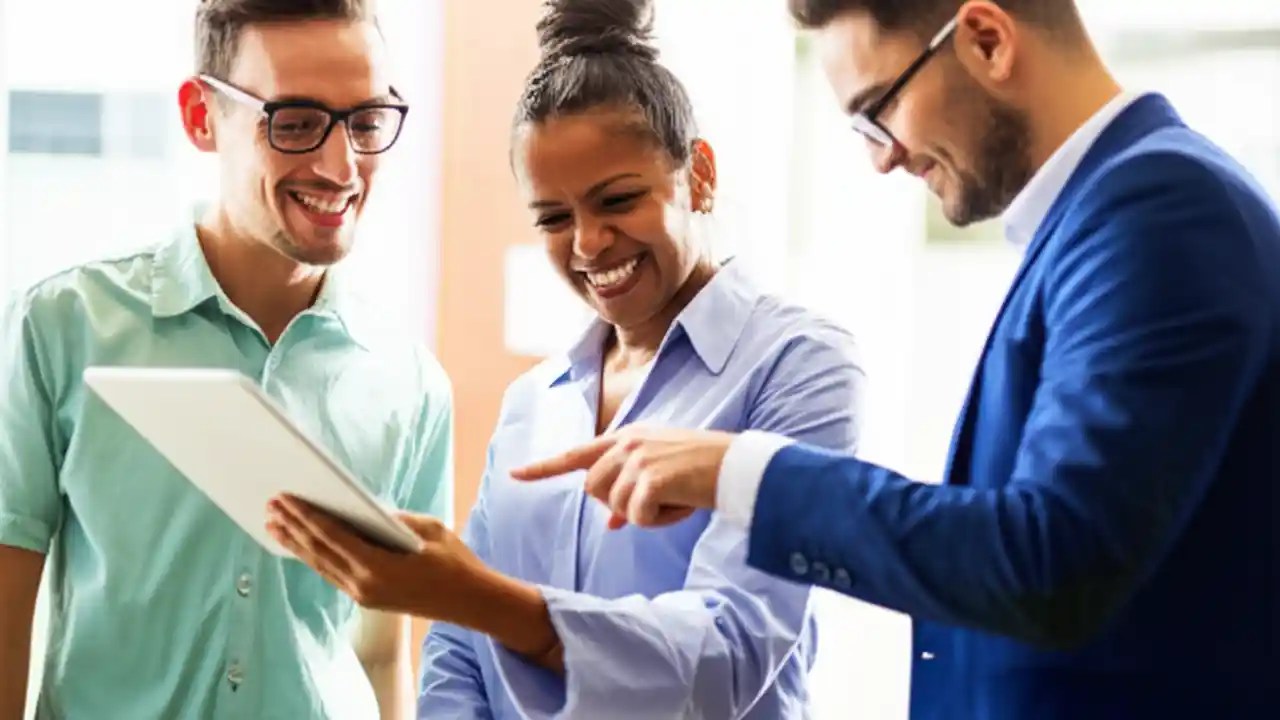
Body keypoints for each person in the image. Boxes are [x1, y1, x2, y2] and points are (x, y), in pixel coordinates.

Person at [514, 1, 1280, 718]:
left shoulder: (1158, 210)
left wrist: (739, 472)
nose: (884, 159)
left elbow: (1051, 559)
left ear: (987, 39)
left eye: (879, 109)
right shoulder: (1107, 215)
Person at [263, 0, 864, 717]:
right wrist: (465, 609)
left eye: (617, 200)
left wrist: (477, 595)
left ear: (698, 175)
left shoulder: (798, 368)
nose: (587, 243)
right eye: (552, 217)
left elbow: (728, 656)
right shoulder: (534, 402)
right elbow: (460, 652)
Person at [0, 1, 452, 718]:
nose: (342, 166)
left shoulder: (411, 381)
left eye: (366, 122)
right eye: (297, 122)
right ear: (200, 116)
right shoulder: (61, 325)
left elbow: (382, 651)